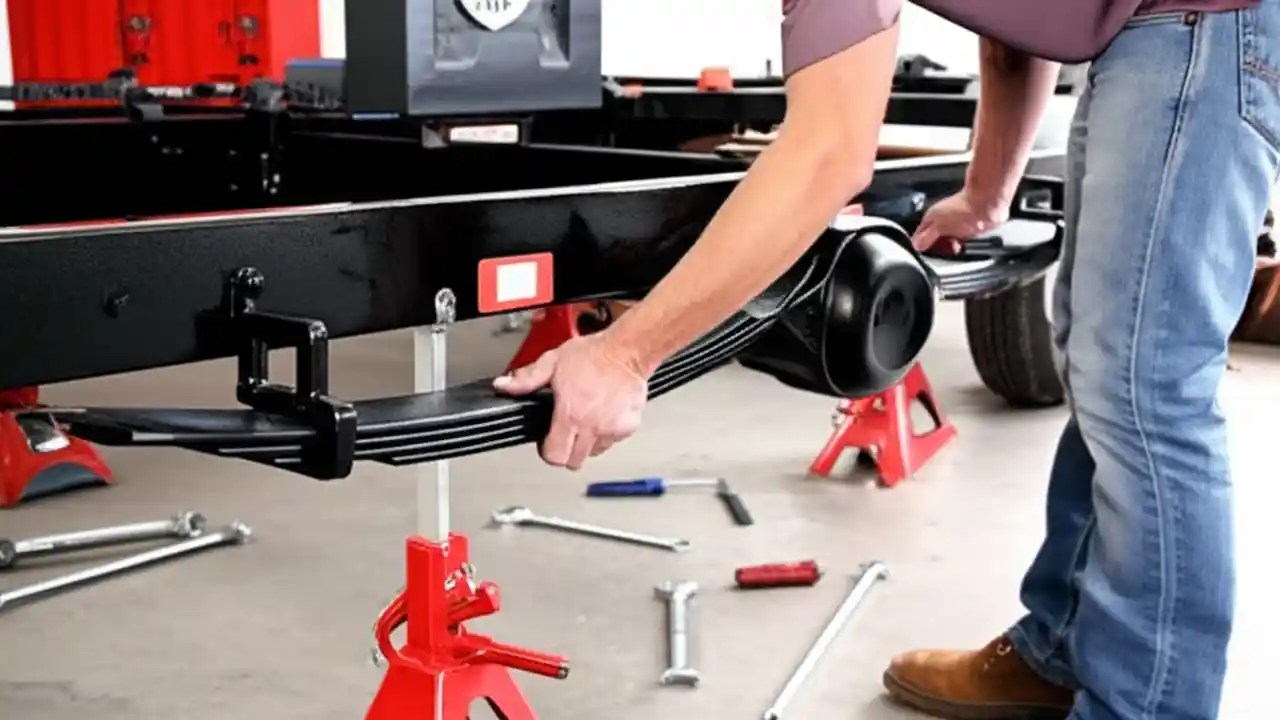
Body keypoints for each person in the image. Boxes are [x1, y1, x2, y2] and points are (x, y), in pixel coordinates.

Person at [495, 1, 1278, 717]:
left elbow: (831, 154)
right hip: (1152, 33)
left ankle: (1147, 705)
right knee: (1110, 365)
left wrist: (627, 356)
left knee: (1147, 388)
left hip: (1203, 27)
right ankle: (1070, 650)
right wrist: (988, 189)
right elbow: (1023, 20)